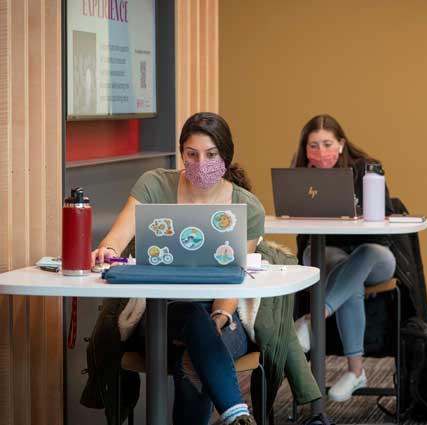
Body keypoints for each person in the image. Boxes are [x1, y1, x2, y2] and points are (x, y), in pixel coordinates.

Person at [91, 112, 265, 425]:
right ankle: (238, 416)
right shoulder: (155, 184)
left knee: (196, 353)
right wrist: (108, 250)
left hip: (222, 315)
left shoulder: (247, 207)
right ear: (181, 153)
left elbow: (234, 281)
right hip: (160, 315)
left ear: (226, 155)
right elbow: (118, 236)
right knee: (189, 318)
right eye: (192, 154)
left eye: (211, 155)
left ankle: (235, 415)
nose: (201, 163)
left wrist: (221, 316)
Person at [292, 114, 396, 402]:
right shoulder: (302, 178)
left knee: (363, 256)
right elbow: (303, 233)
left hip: (376, 256)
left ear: (340, 144)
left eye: (327, 143)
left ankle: (313, 319)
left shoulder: (367, 170)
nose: (321, 151)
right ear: (305, 149)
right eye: (314, 145)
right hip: (334, 259)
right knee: (338, 271)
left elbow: (385, 220)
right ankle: (355, 371)